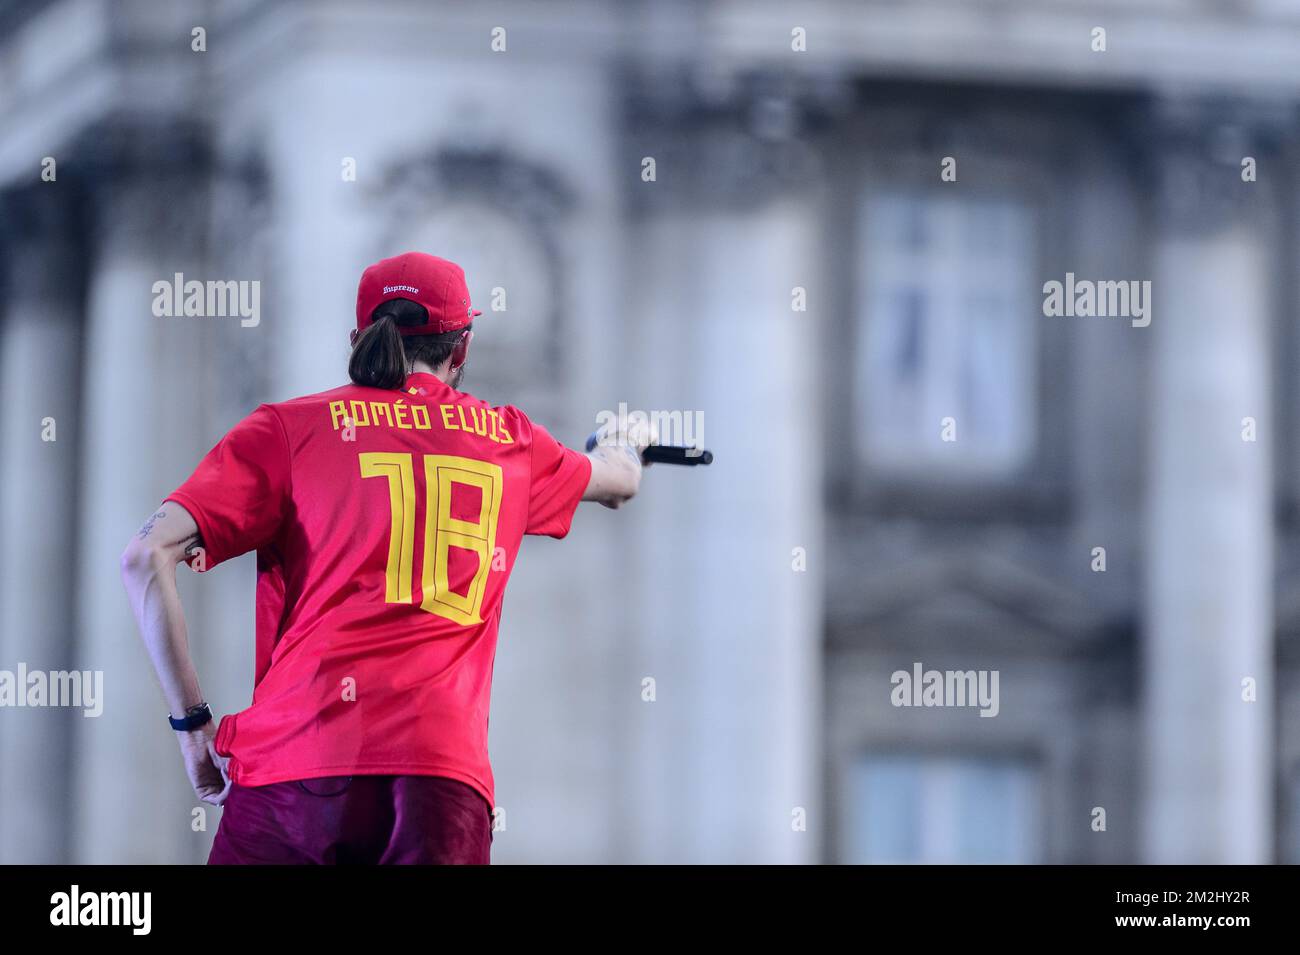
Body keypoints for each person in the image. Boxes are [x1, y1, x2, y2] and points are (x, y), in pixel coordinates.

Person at [119, 251, 650, 864]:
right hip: (439, 781)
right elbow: (618, 482)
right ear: (463, 349)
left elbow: (144, 555)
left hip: (293, 767)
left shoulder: (287, 430)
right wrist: (625, 441)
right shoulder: (510, 441)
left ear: (359, 337)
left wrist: (193, 732)